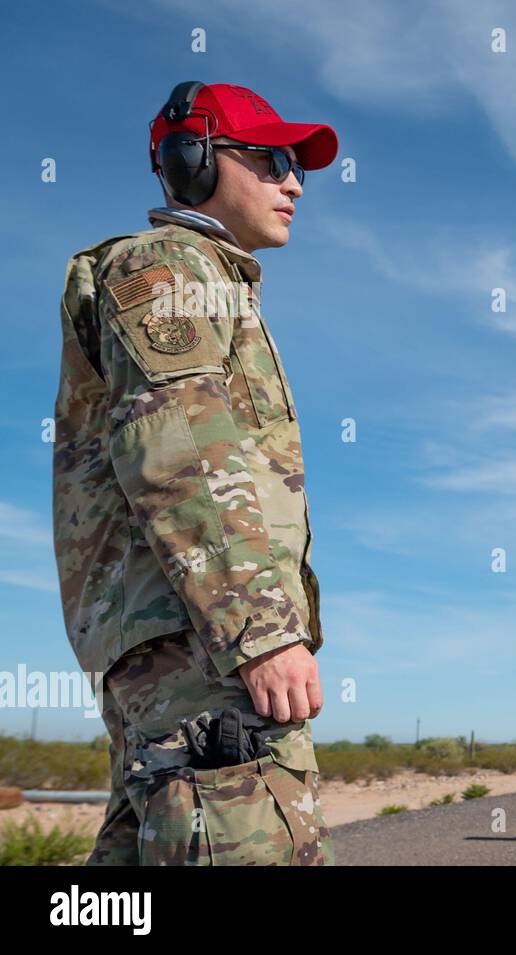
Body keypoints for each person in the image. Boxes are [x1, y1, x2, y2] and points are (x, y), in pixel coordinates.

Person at [52, 82, 338, 864]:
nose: (294, 183)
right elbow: (178, 449)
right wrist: (259, 631)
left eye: (299, 167)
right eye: (274, 159)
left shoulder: (209, 280)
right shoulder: (170, 268)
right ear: (195, 160)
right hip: (204, 645)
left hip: (181, 642)